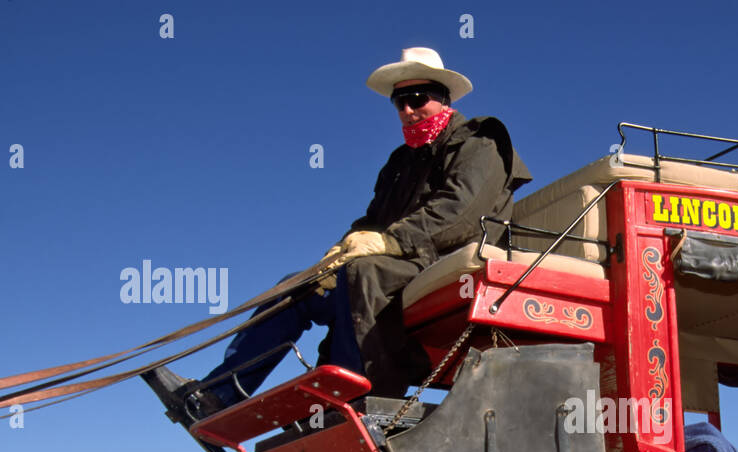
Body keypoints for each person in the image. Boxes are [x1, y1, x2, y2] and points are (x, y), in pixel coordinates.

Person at [147, 47, 532, 420]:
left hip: (451, 255)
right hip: (405, 259)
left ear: (443, 98)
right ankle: (219, 394)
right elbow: (372, 220)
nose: (409, 110)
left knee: (363, 274)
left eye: (418, 98)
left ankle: (357, 394)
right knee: (297, 286)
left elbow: (460, 211)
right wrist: (341, 248)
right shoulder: (400, 163)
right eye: (399, 102)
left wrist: (389, 241)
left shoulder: (480, 140)